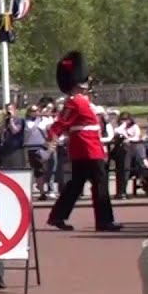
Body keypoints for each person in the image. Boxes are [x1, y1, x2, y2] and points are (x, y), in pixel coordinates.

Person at [47, 51, 121, 232]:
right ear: (76, 86)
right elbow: (62, 122)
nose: (86, 88)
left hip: (88, 147)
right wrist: (53, 138)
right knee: (100, 182)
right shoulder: (75, 102)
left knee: (76, 184)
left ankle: (57, 216)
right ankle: (104, 221)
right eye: (83, 86)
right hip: (87, 148)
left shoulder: (81, 101)